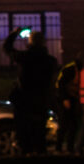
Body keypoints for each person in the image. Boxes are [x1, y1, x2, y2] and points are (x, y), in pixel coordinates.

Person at [4, 26, 57, 155]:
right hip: (41, 100)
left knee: (24, 136)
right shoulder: (50, 61)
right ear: (44, 42)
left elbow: (7, 48)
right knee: (39, 135)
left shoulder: (24, 57)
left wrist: (14, 33)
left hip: (24, 101)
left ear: (30, 42)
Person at [54, 54, 82, 154]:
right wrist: (65, 99)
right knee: (64, 124)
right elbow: (59, 84)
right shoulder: (70, 69)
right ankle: (58, 147)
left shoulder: (78, 69)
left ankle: (70, 147)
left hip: (73, 98)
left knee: (73, 125)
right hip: (64, 99)